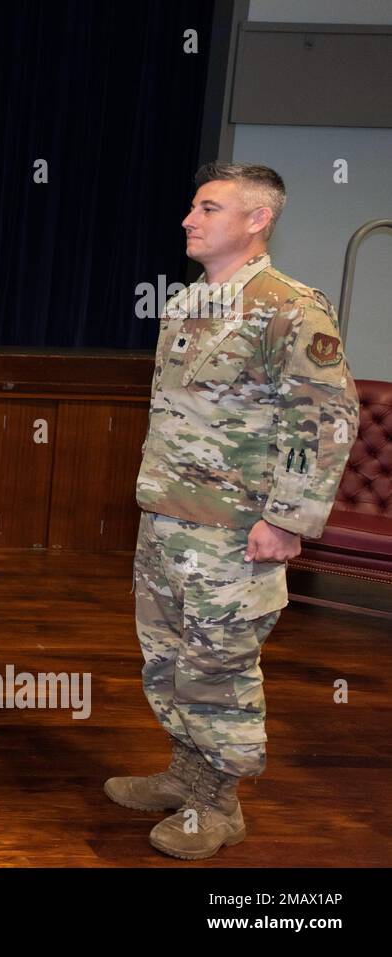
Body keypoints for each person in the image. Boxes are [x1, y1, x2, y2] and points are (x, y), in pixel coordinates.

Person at [107, 163, 359, 859]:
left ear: (257, 220)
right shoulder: (189, 302)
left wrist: (286, 517)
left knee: (220, 665)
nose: (189, 219)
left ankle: (220, 804)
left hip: (234, 534)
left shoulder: (290, 307)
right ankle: (187, 770)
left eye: (208, 208)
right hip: (167, 519)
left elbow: (328, 417)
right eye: (192, 206)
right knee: (167, 659)